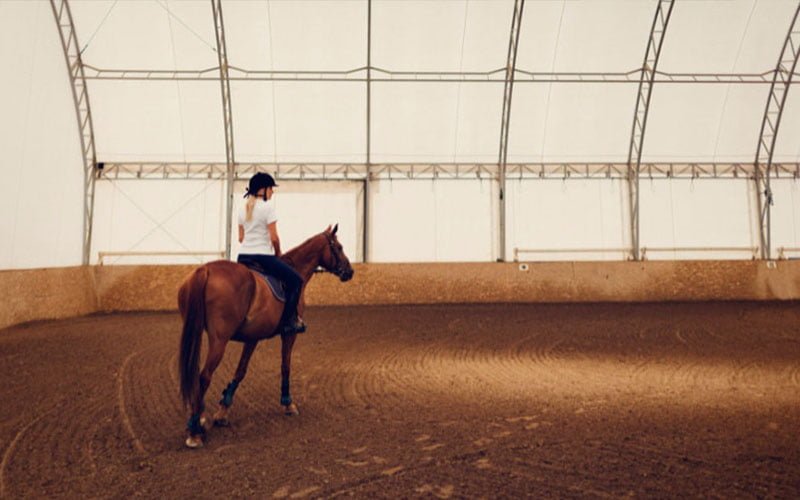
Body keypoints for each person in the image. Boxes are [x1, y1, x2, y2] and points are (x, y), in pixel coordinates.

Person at [237, 172, 306, 335]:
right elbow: (274, 237)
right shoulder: (268, 208)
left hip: (243, 257)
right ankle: (289, 321)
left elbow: (241, 238)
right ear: (264, 190)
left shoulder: (242, 208)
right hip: (263, 257)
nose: (273, 192)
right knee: (296, 281)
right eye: (271, 189)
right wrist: (278, 252)